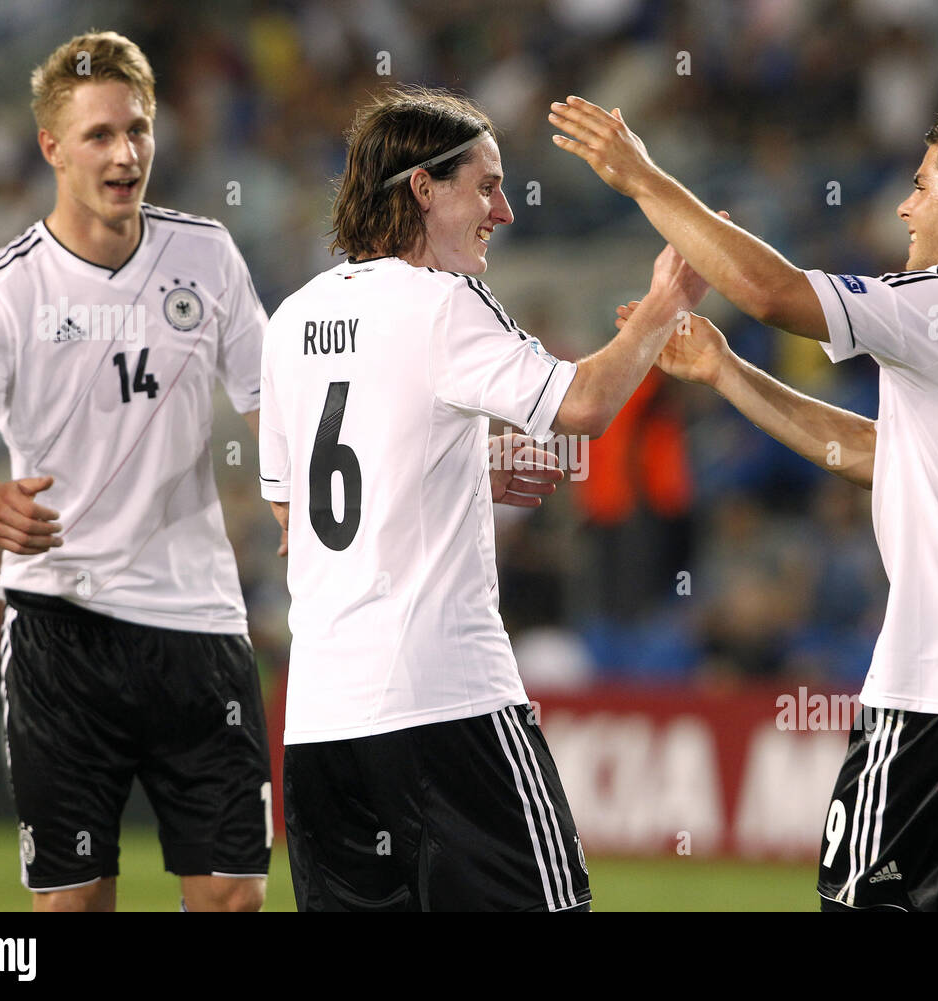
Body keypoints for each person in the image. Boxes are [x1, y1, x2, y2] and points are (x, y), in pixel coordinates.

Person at [551, 95, 938, 911]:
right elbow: (877, 454)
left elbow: (773, 291)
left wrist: (642, 178)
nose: (903, 204)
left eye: (923, 184)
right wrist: (728, 374)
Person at [258, 86, 708, 911]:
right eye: (486, 185)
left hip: (321, 728)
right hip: (446, 708)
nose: (503, 209)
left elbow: (299, 521)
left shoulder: (292, 320)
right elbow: (583, 406)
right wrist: (662, 308)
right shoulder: (441, 302)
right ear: (424, 190)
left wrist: (457, 463)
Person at [0, 30, 278, 912]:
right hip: (61, 630)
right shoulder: (3, 292)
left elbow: (279, 412)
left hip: (197, 618)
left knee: (231, 895)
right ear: (52, 148)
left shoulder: (208, 256)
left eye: (139, 130)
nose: (127, 154)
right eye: (101, 135)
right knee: (75, 904)